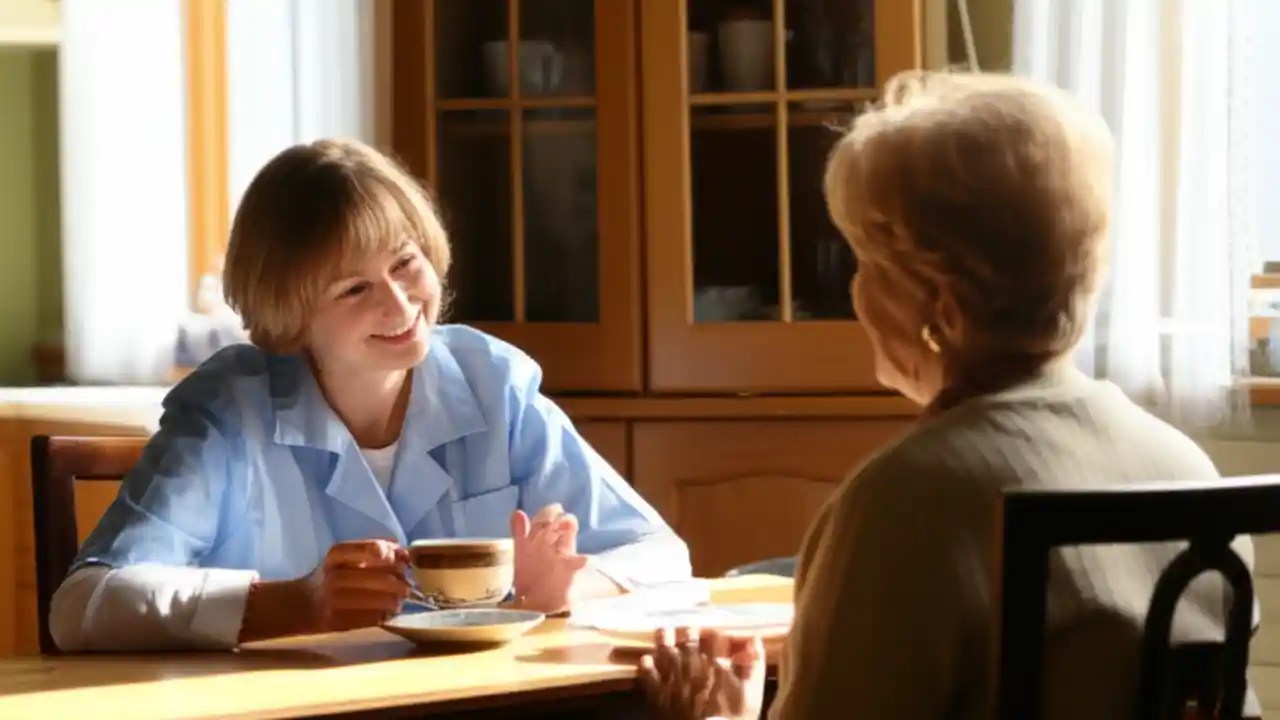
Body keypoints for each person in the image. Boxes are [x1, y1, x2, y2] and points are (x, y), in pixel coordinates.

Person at [639, 70, 1257, 719]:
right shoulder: (1181, 465)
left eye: (866, 264)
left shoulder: (903, 499)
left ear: (943, 310)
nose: (854, 292)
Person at [50, 138, 690, 651]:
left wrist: (565, 589)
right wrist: (289, 605)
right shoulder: (230, 410)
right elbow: (82, 606)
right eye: (354, 290)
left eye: (405, 262)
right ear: (291, 316)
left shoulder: (493, 384)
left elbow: (663, 557)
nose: (400, 301)